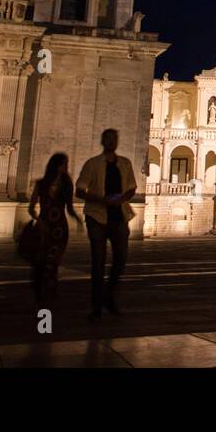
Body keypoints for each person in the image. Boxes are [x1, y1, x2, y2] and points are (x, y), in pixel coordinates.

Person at [75, 128, 137, 321]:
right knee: (98, 262)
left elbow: (132, 188)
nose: (112, 142)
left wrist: (121, 198)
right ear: (103, 141)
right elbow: (79, 190)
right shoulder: (92, 164)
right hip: (97, 216)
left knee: (120, 259)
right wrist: (101, 200)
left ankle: (108, 296)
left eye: (115, 138)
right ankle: (97, 306)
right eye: (109, 139)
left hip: (119, 216)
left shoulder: (125, 164)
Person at [28, 152, 83, 305]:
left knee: (54, 261)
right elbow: (31, 208)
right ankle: (41, 289)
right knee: (41, 259)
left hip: (60, 230)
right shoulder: (41, 184)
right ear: (56, 165)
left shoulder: (67, 184)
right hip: (44, 228)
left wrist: (79, 220)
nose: (66, 167)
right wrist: (39, 221)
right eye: (64, 164)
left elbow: (70, 208)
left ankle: (50, 291)